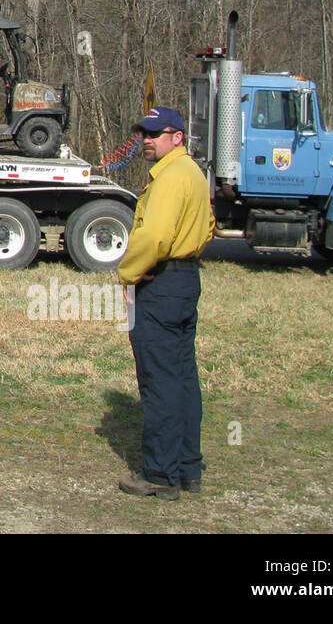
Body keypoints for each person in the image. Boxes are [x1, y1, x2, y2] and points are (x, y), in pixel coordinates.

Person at [115, 106, 215, 501]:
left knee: (159, 383)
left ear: (179, 137)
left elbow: (154, 234)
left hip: (161, 281)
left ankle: (159, 473)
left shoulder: (171, 177)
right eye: (144, 134)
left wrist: (129, 274)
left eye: (156, 134)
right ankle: (189, 467)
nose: (147, 141)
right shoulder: (192, 173)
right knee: (183, 378)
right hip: (185, 278)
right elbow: (208, 226)